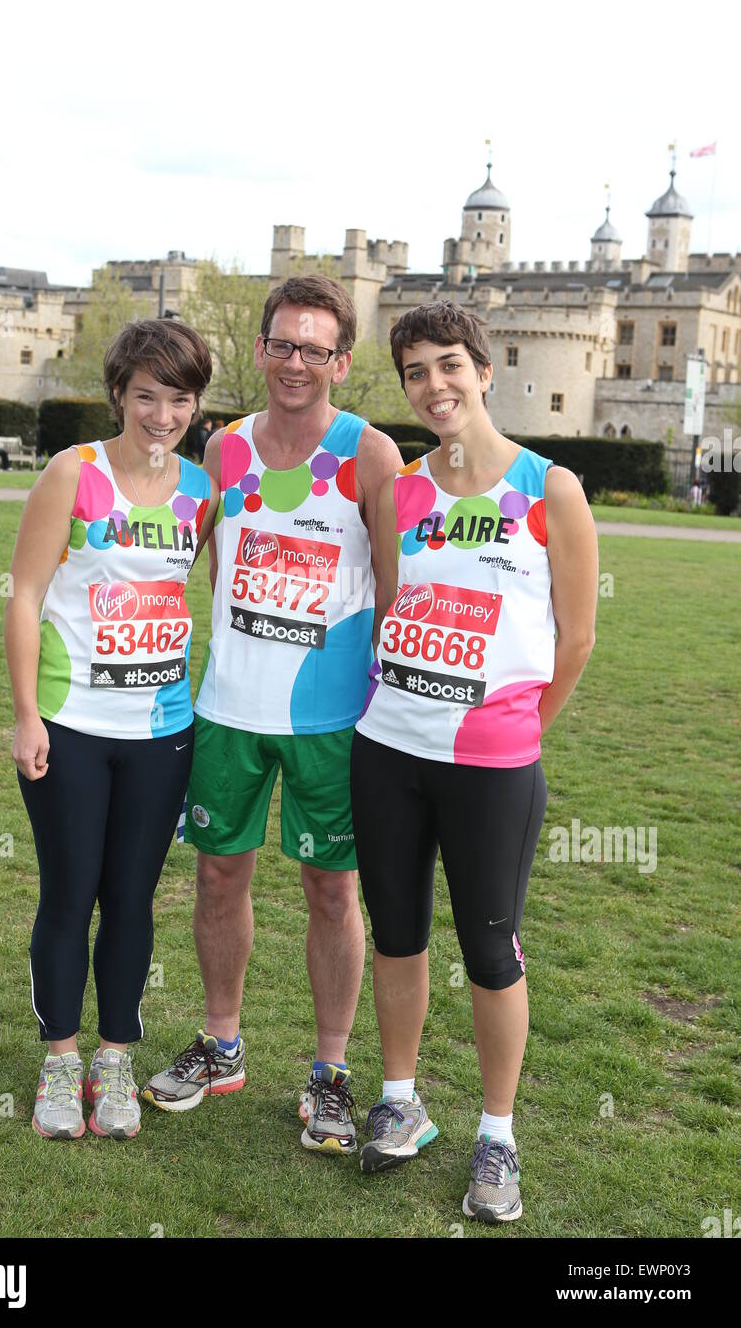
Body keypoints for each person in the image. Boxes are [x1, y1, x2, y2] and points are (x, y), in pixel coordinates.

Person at [142, 275, 401, 1154]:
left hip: (332, 720)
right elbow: (204, 565)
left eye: (315, 349)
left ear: (342, 359)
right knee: (218, 878)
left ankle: (330, 1073)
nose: (296, 363)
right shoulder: (221, 450)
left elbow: (396, 594)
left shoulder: (371, 454)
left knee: (332, 890)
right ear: (260, 349)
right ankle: (222, 1045)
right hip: (228, 709)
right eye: (282, 344)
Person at [351, 302, 597, 1220]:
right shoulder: (402, 492)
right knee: (396, 932)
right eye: (415, 372)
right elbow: (386, 612)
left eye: (449, 364)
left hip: (494, 762)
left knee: (491, 948)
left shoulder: (550, 488)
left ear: (486, 371)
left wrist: (520, 729)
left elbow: (577, 639)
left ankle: (497, 1138)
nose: (434, 385)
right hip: (388, 749)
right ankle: (402, 1103)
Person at [4, 318, 218, 1140]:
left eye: (180, 400)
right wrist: (27, 715)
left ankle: (115, 1058)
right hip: (71, 725)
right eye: (146, 397)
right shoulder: (73, 474)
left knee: (131, 898)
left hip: (162, 730)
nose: (162, 416)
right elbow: (24, 595)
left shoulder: (201, 492)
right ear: (120, 394)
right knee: (71, 893)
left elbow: (187, 590)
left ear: (196, 406)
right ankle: (61, 1064)